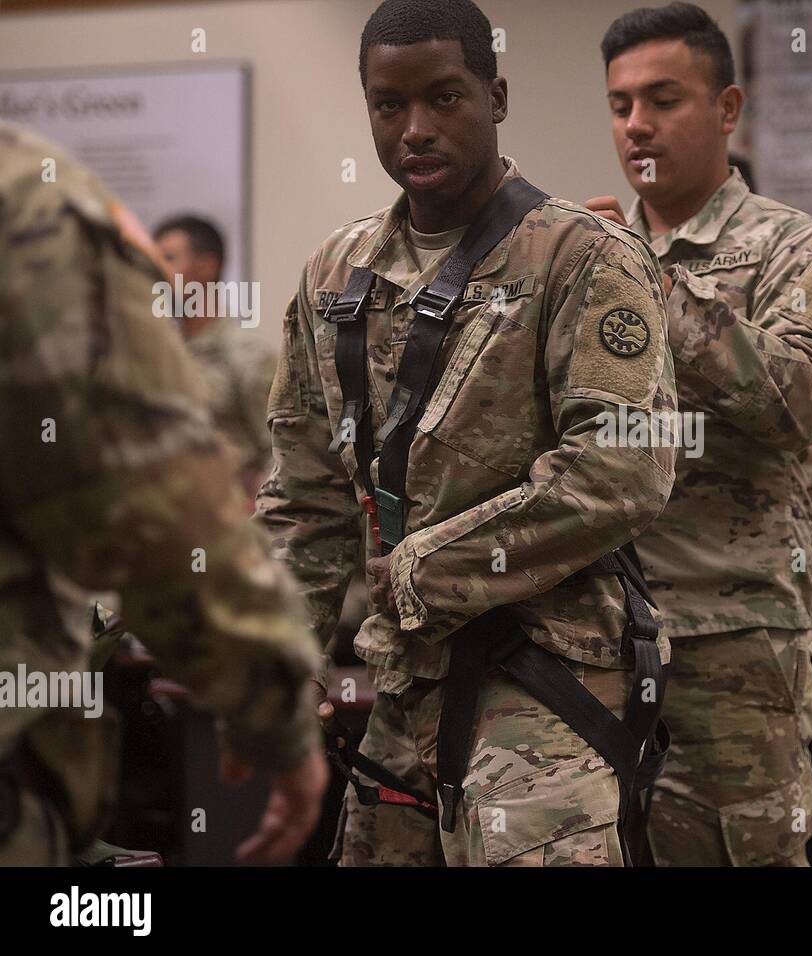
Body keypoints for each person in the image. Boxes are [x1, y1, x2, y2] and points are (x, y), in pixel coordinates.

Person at [256, 0, 676, 867]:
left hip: (543, 681)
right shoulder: (337, 273)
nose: (415, 129)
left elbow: (622, 469)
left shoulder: (578, 255)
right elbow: (306, 500)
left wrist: (422, 568)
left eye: (445, 98)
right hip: (403, 687)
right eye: (388, 105)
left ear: (497, 95)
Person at [0, 121, 326, 866]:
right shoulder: (26, 197)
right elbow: (164, 519)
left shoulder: (243, 353)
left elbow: (280, 460)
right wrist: (272, 719)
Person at [586, 2, 812, 866]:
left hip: (729, 636)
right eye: (621, 103)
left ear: (728, 108)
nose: (638, 124)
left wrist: (651, 289)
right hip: (592, 634)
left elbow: (802, 405)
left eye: (664, 99)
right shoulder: (584, 249)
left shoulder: (796, 247)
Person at [155, 214, 276, 503]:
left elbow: (280, 453)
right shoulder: (158, 352)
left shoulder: (247, 354)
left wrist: (257, 513)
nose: (155, 272)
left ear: (207, 266)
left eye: (169, 259)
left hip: (225, 525)